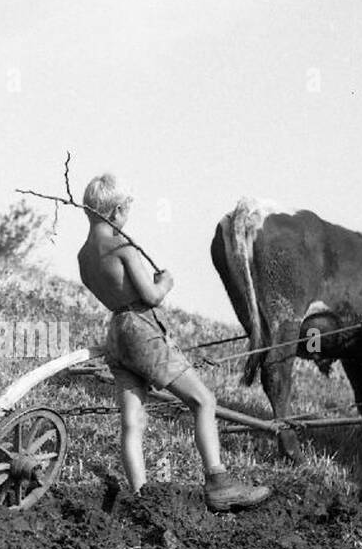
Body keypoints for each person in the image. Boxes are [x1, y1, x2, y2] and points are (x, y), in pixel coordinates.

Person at [77, 174, 270, 513]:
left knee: (132, 421)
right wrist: (165, 282)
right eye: (127, 210)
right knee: (203, 401)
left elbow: (115, 293)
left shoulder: (84, 256)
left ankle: (141, 495)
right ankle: (218, 482)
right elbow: (150, 297)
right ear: (118, 210)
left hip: (116, 335)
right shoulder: (122, 247)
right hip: (141, 332)